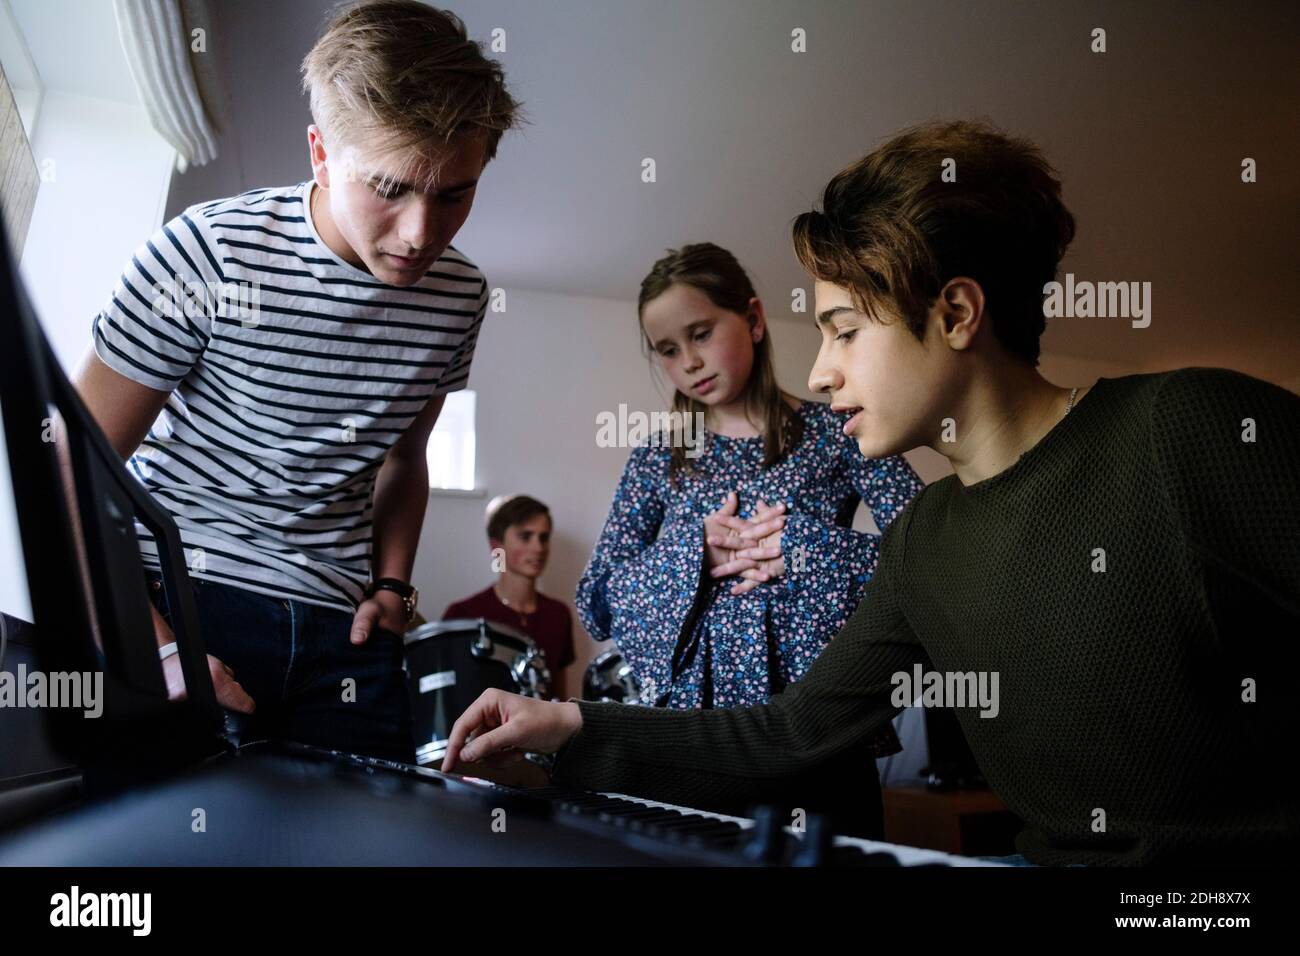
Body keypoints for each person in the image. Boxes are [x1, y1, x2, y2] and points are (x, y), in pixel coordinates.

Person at [444, 120, 1300, 866]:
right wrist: (569, 727)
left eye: (844, 330)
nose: (821, 369)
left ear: (958, 314)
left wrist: (807, 549)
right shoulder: (924, 539)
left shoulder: (1195, 427)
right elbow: (787, 731)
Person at [72, 0, 520, 762]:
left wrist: (393, 588)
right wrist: (161, 648)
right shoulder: (207, 252)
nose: (420, 234)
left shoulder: (462, 296)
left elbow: (406, 459)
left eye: (453, 194)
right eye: (389, 187)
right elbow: (72, 463)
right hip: (180, 600)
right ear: (320, 152)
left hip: (341, 630)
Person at [577, 242, 923, 717]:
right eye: (668, 350)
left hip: (820, 714)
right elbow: (596, 603)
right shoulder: (657, 457)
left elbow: (932, 561)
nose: (689, 362)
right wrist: (690, 553)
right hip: (691, 725)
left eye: (701, 334)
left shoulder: (839, 430)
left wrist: (806, 549)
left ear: (755, 320)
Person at [443, 494, 575, 699]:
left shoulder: (559, 614)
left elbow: (560, 697)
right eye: (525, 536)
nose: (538, 548)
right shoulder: (463, 615)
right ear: (497, 546)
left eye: (544, 537)